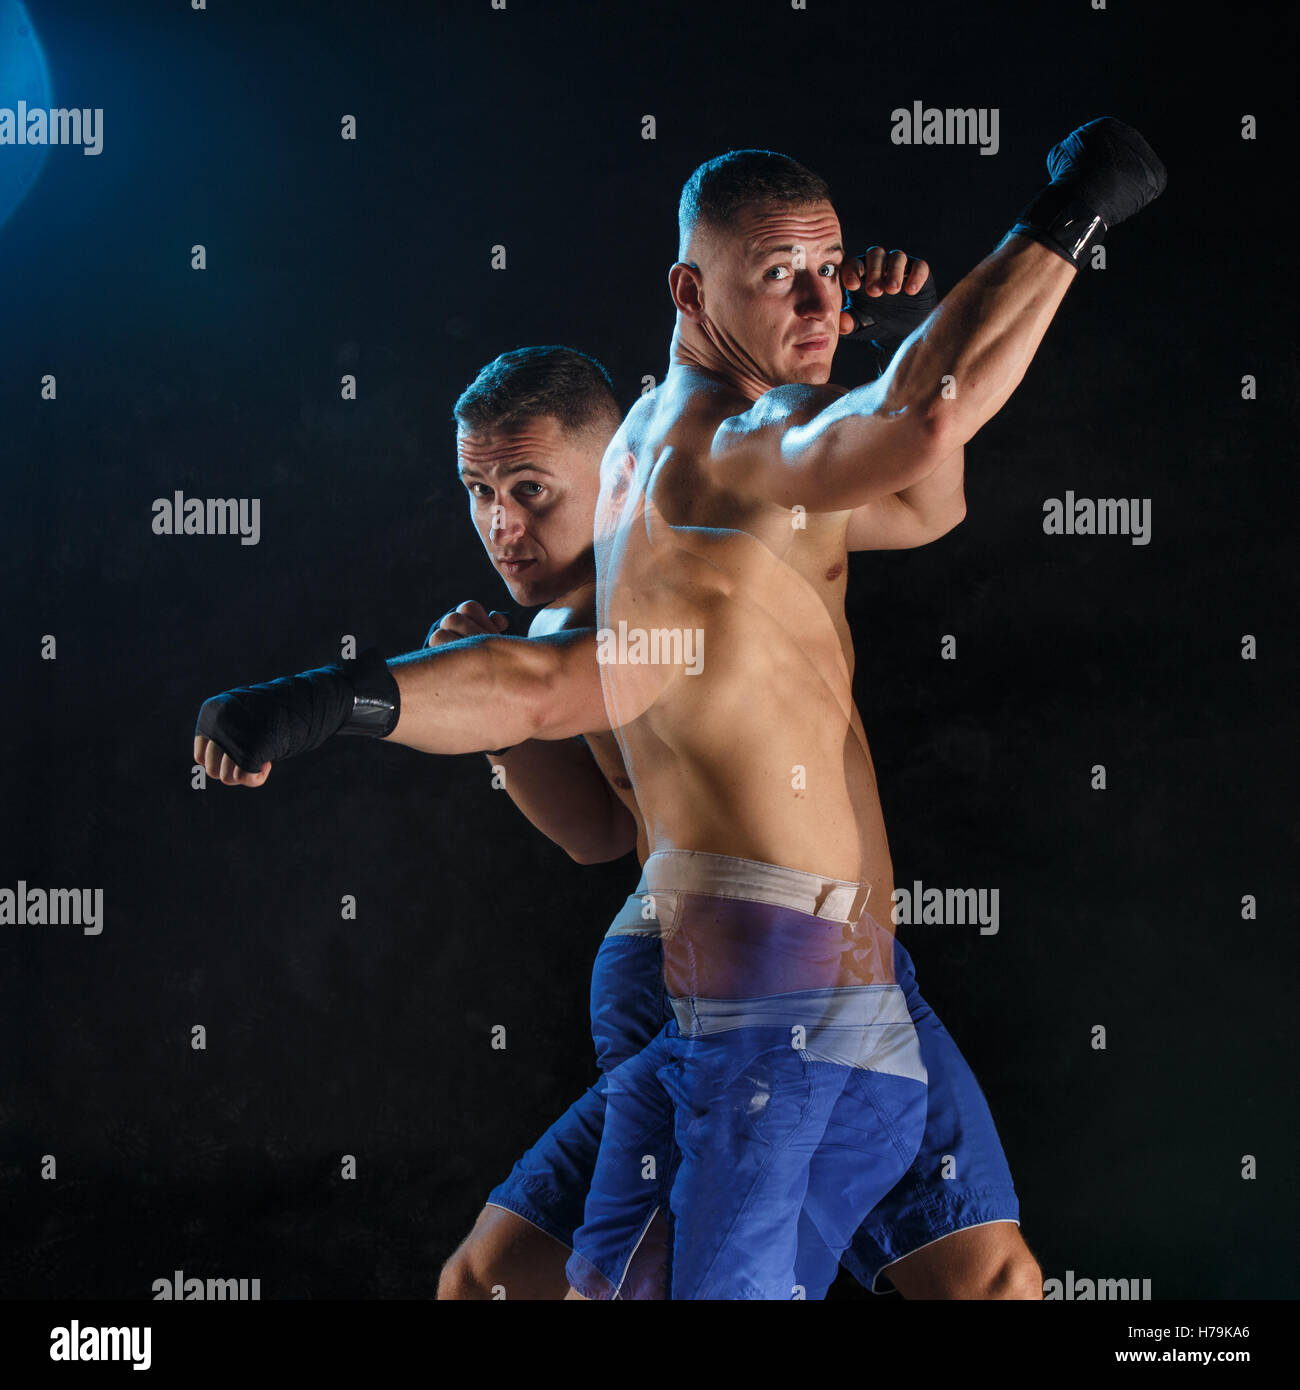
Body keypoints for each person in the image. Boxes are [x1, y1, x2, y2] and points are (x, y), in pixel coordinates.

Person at [192, 117, 1165, 1299]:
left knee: (984, 1278)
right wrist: (1069, 215)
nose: (816, 301)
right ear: (689, 292)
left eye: (827, 271)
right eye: (779, 278)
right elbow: (552, 689)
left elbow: (923, 499)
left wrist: (909, 341)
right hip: (769, 977)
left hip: (840, 973)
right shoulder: (718, 456)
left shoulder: (722, 462)